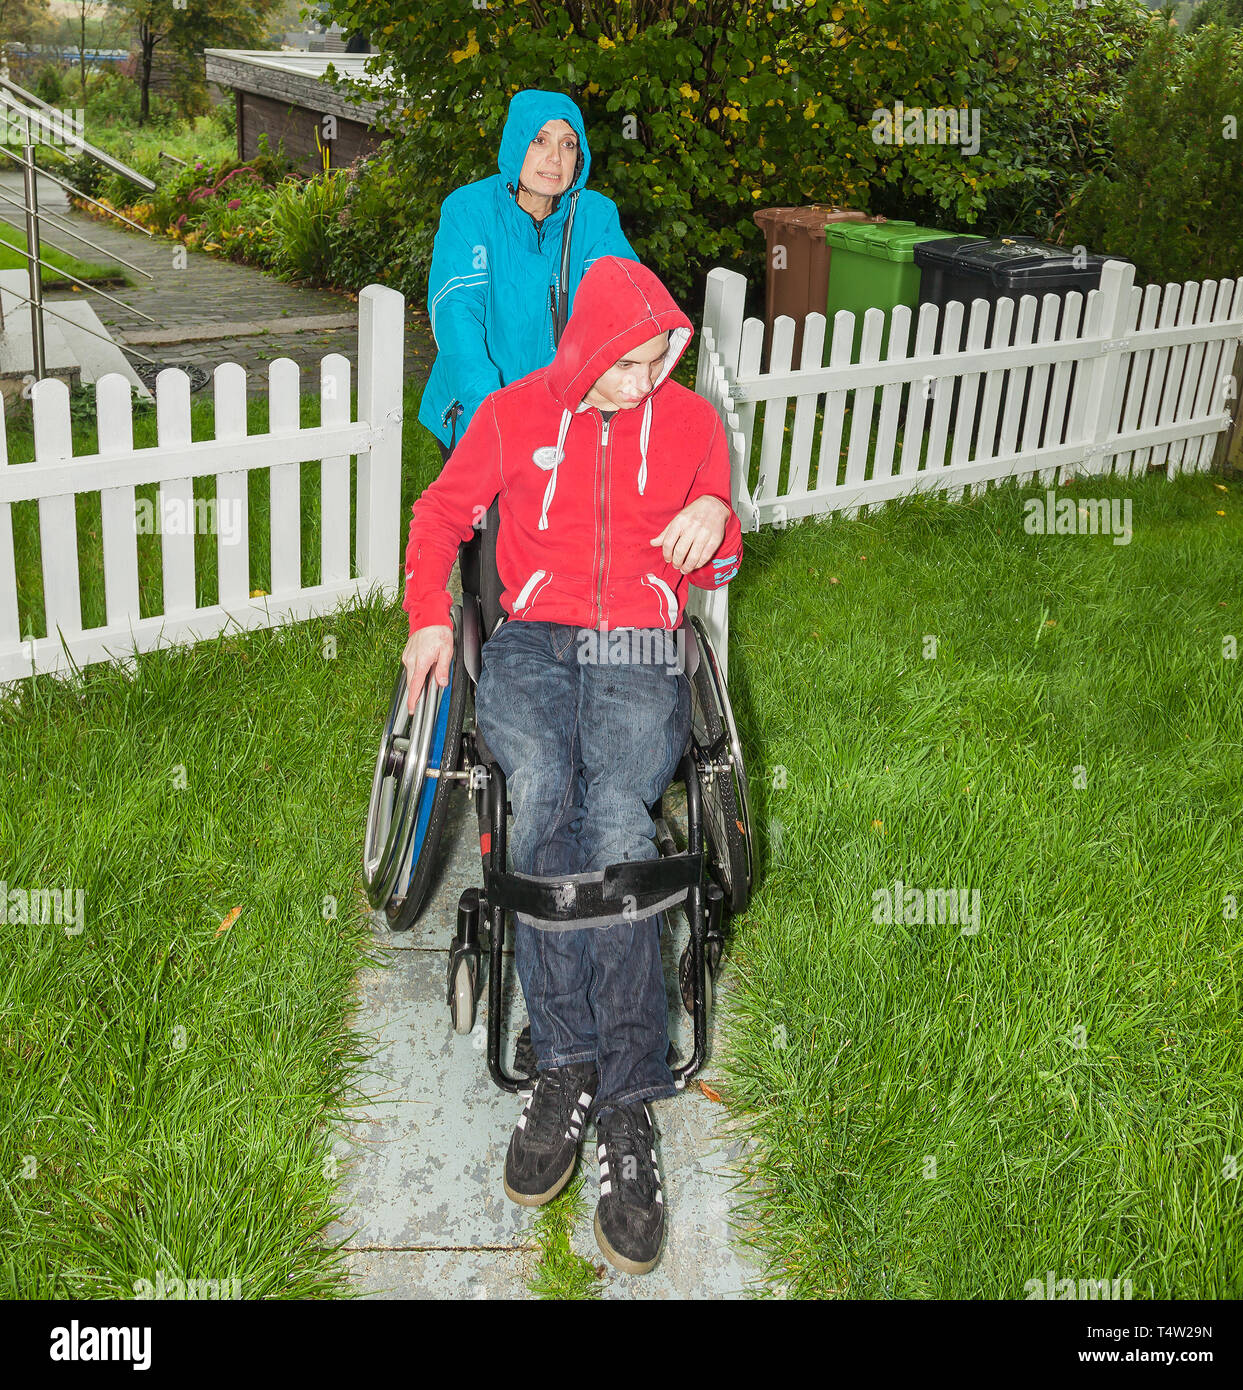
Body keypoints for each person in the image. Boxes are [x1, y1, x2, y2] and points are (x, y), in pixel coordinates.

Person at [400, 256, 743, 1276]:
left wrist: (716, 522)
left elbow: (719, 558)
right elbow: (439, 518)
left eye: (660, 359)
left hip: (640, 639)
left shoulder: (688, 425)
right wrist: (429, 621)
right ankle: (567, 1063)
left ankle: (626, 1102)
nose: (649, 380)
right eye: (631, 364)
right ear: (588, 352)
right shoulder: (509, 414)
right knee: (541, 797)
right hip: (534, 640)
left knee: (619, 827)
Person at [419, 88, 638, 460]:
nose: (555, 158)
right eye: (539, 140)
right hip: (479, 411)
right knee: (490, 519)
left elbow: (627, 306)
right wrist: (494, 413)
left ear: (579, 157)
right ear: (516, 142)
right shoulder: (468, 211)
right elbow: (457, 317)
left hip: (568, 414)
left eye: (568, 144)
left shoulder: (595, 217)